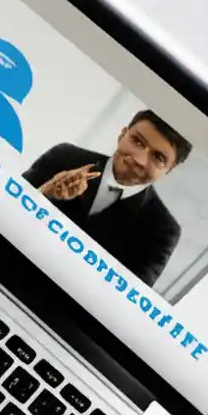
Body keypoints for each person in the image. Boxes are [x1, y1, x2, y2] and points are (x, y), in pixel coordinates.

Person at [22, 109, 191, 286]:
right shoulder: (64, 157)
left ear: (168, 170)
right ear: (122, 135)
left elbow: (122, 299)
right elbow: (1, 201)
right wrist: (45, 193)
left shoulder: (163, 230)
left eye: (158, 157)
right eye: (137, 141)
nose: (139, 159)